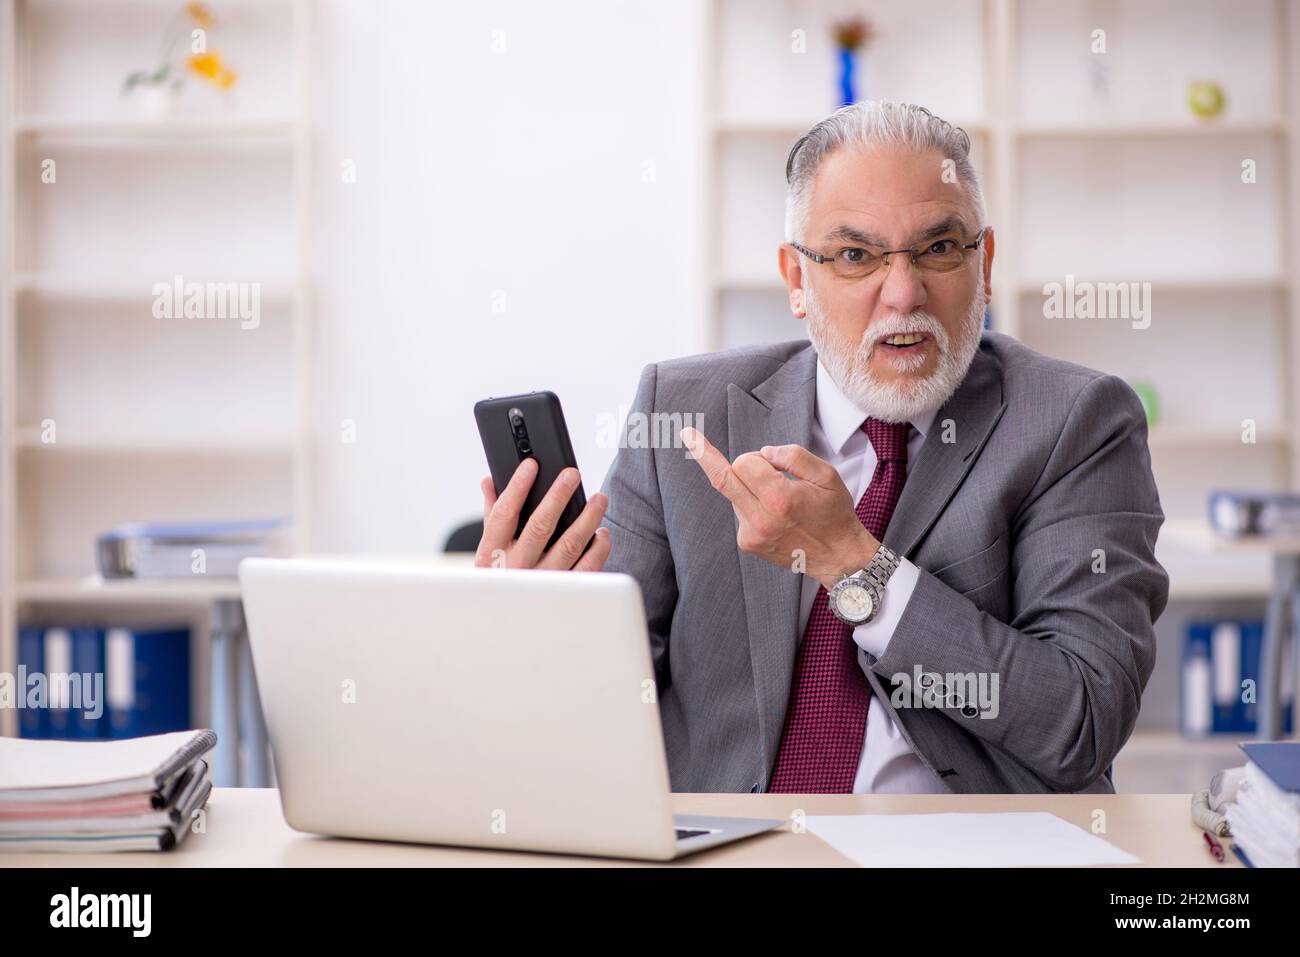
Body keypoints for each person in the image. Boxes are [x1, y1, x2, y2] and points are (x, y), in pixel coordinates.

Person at [474, 100, 1168, 794]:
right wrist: (532, 636)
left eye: (939, 247)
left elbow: (1080, 722)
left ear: (983, 263)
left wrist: (855, 566)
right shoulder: (682, 410)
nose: (903, 292)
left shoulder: (1075, 421)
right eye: (855, 255)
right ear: (796, 280)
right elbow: (615, 704)